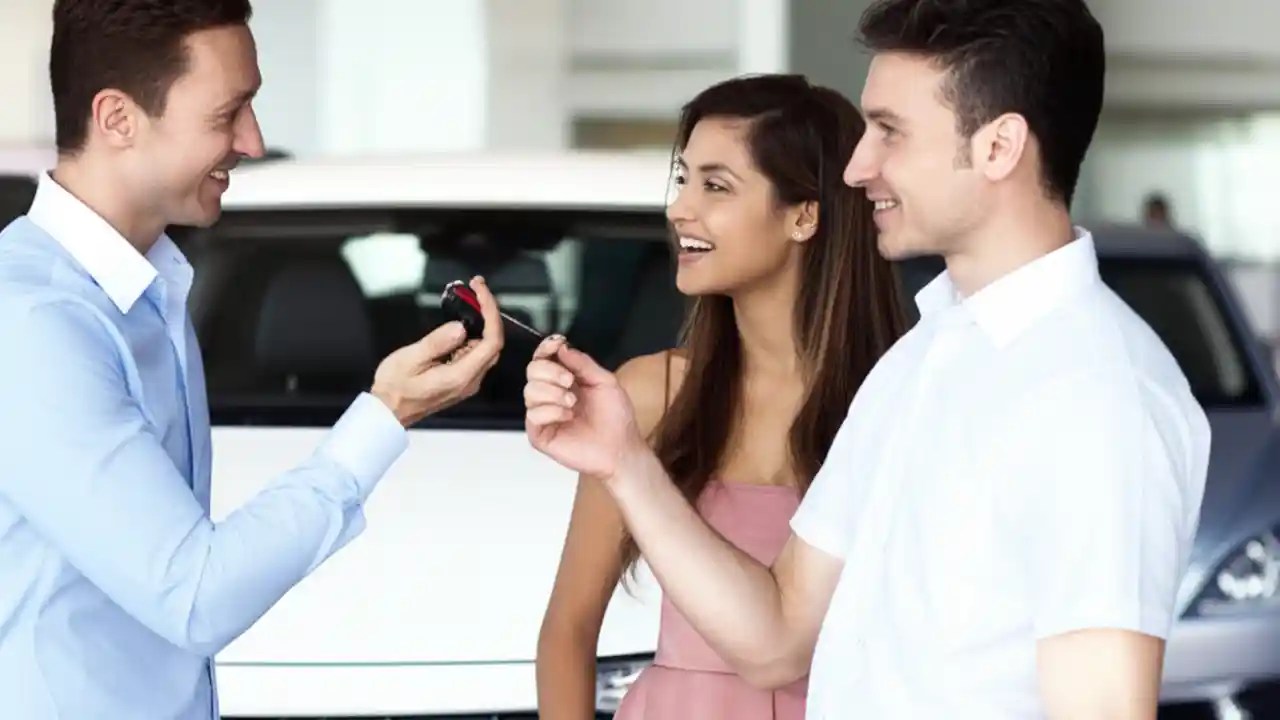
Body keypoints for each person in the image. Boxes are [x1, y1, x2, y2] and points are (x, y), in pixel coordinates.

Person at [524, 0, 1212, 717]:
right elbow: (779, 637)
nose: (856, 167)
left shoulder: (1099, 393)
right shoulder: (917, 361)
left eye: (889, 131)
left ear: (999, 147)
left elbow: (1101, 705)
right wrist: (624, 463)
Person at [0, 1, 504, 718]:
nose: (254, 141)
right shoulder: (35, 321)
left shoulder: (149, 290)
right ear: (117, 118)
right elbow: (194, 594)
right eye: (227, 113)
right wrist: (387, 415)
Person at [534, 74, 907, 719]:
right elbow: (568, 630)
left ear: (804, 214)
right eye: (684, 180)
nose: (681, 209)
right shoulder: (648, 395)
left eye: (716, 185)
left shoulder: (899, 400)